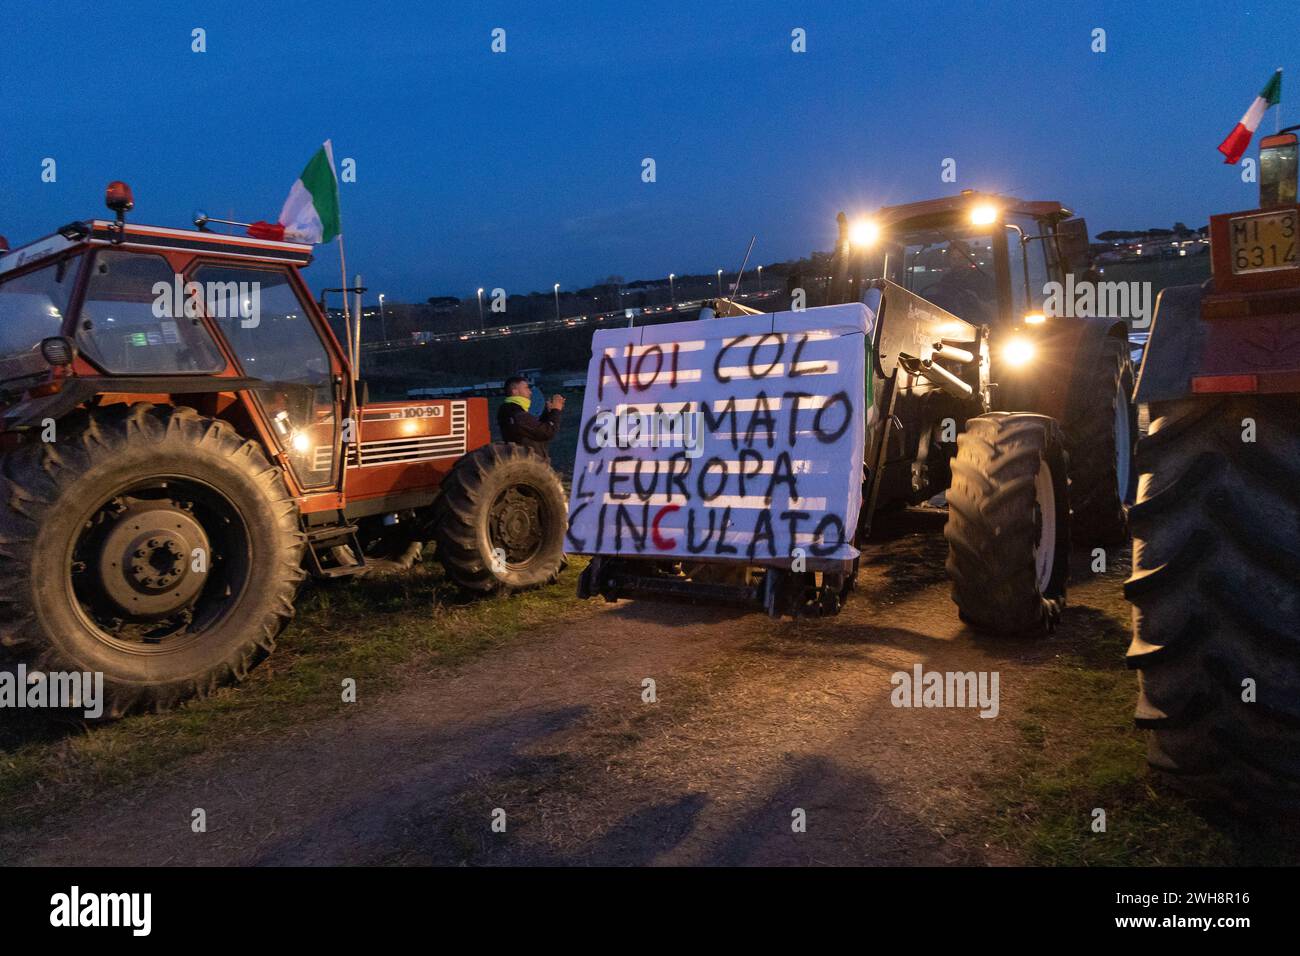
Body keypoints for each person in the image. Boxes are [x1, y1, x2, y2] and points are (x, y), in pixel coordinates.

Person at [498, 375, 564, 463]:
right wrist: (556, 410)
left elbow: (533, 429)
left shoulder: (510, 411)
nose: (530, 392)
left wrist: (548, 413)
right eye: (526, 388)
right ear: (515, 391)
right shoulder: (517, 414)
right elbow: (546, 432)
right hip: (529, 464)